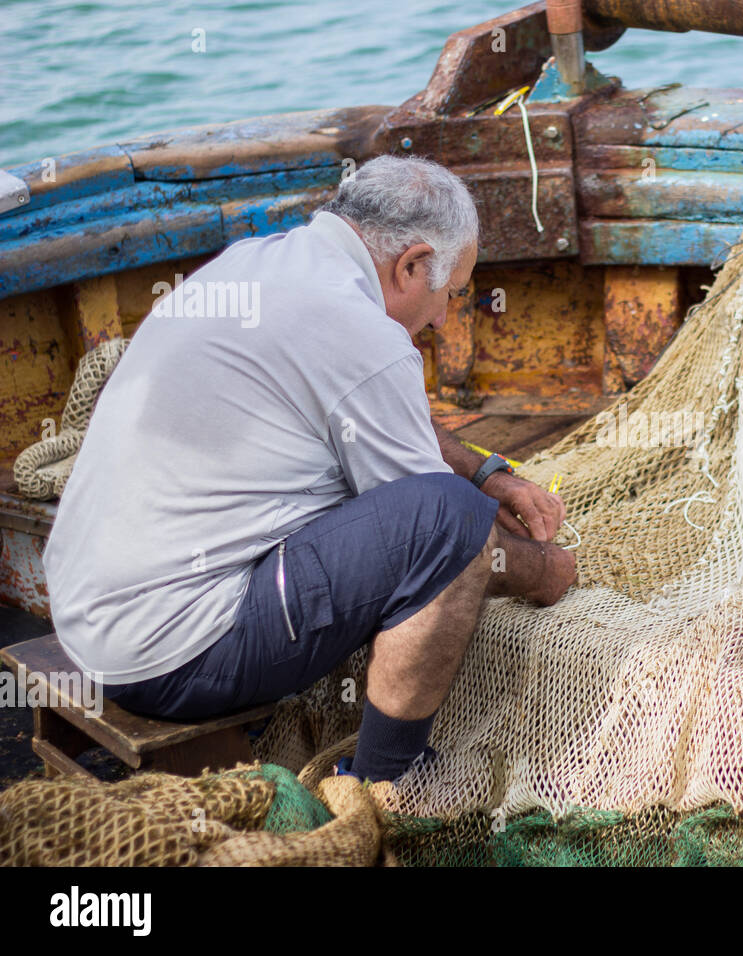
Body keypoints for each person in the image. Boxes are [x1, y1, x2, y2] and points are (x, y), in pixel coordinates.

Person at [44, 155, 577, 782]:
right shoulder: (367, 338)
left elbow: (365, 408)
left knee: (453, 503)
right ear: (411, 264)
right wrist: (546, 570)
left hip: (83, 616)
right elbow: (440, 536)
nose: (441, 319)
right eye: (450, 294)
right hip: (171, 659)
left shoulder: (254, 261)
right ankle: (388, 783)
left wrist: (488, 471)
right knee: (449, 520)